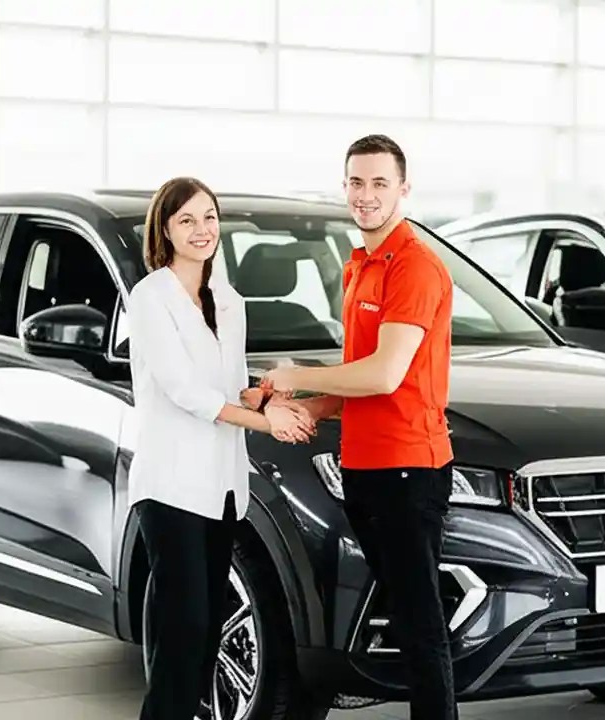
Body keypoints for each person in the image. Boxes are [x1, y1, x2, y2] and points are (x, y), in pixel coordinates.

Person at [261, 134, 458, 719]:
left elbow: (386, 373)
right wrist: (318, 405)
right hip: (364, 467)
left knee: (420, 625)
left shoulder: (415, 267)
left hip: (408, 469)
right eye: (355, 182)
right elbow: (359, 382)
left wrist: (296, 375)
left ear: (404, 187)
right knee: (403, 613)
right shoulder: (360, 265)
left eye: (378, 183)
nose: (365, 195)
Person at [127, 176, 315, 720]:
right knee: (182, 631)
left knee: (206, 630)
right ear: (164, 229)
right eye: (186, 219)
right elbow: (185, 392)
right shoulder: (151, 297)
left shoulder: (229, 301)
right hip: (171, 488)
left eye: (209, 216)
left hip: (222, 488)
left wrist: (261, 393)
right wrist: (264, 419)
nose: (202, 229)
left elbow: (224, 386)